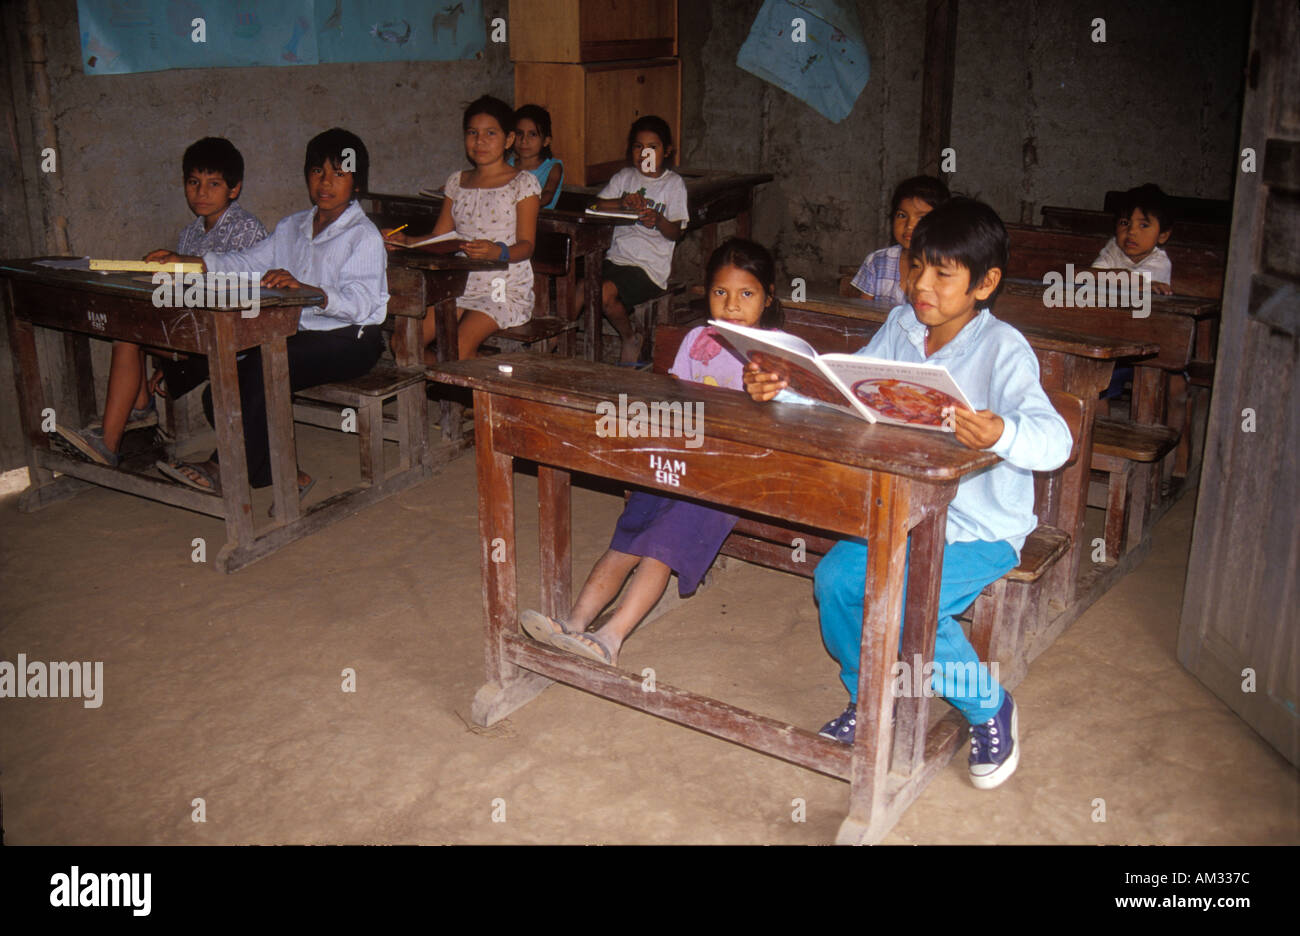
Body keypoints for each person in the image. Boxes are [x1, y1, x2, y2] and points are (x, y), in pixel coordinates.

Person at [744, 198, 1073, 790]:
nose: (921, 285)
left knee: (905, 603)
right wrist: (786, 389)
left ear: (986, 283)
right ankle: (871, 695)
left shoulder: (1003, 349)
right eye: (915, 266)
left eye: (943, 274)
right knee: (837, 582)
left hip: (980, 529)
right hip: (902, 515)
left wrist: (1004, 431)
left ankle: (988, 706)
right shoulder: (900, 327)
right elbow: (849, 396)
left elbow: (1056, 441)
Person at [521, 238, 781, 665]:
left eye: (746, 294)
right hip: (677, 459)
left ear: (768, 297)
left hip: (726, 476)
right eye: (721, 293)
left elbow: (781, 418)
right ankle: (573, 624)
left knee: (660, 547)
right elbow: (672, 398)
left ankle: (611, 637)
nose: (732, 305)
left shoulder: (774, 352)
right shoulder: (699, 338)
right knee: (626, 539)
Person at [152, 128, 388, 506]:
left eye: (338, 173)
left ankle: (225, 467)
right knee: (220, 390)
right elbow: (247, 263)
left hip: (351, 338)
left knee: (260, 370)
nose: (325, 182)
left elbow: (362, 303)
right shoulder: (292, 226)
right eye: (316, 172)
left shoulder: (363, 236)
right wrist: (194, 262)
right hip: (298, 334)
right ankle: (286, 475)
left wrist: (309, 291)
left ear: (357, 181)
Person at [54, 137, 268, 466]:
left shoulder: (247, 228)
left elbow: (243, 288)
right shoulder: (190, 233)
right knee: (126, 328)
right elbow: (181, 292)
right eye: (194, 183)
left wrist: (181, 267)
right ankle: (137, 408)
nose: (201, 192)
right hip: (194, 326)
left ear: (234, 189)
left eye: (214, 184)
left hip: (235, 330)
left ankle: (116, 434)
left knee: (130, 335)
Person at [389, 95, 539, 363]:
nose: (479, 141)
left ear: (508, 140)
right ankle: (474, 376)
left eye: (490, 133)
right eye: (472, 133)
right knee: (402, 344)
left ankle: (473, 384)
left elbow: (527, 245)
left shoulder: (522, 184)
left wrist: (498, 251)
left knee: (456, 347)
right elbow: (440, 236)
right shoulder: (457, 182)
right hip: (458, 285)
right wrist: (406, 240)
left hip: (502, 288)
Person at [575, 115, 688, 364]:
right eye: (638, 146)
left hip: (648, 268)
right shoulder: (624, 178)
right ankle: (558, 342)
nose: (644, 153)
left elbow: (677, 232)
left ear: (667, 151)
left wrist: (658, 220)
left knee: (603, 292)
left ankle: (629, 337)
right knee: (581, 287)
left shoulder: (672, 184)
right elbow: (593, 205)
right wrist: (622, 202)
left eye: (653, 147)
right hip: (616, 259)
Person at [850, 174, 949, 306]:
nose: (909, 225)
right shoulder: (878, 261)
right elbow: (862, 313)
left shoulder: (947, 267)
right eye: (902, 215)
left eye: (921, 218)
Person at [1090, 183, 1174, 295]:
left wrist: (1093, 275)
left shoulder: (1160, 262)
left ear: (1162, 236)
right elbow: (1090, 275)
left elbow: (1131, 282)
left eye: (1143, 225)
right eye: (1125, 223)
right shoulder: (1114, 247)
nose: (1131, 231)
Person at [510, 104, 564, 209]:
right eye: (519, 133)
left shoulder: (553, 167)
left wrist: (523, 207)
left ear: (546, 141)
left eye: (532, 134)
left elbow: (547, 195)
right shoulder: (507, 165)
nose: (524, 140)